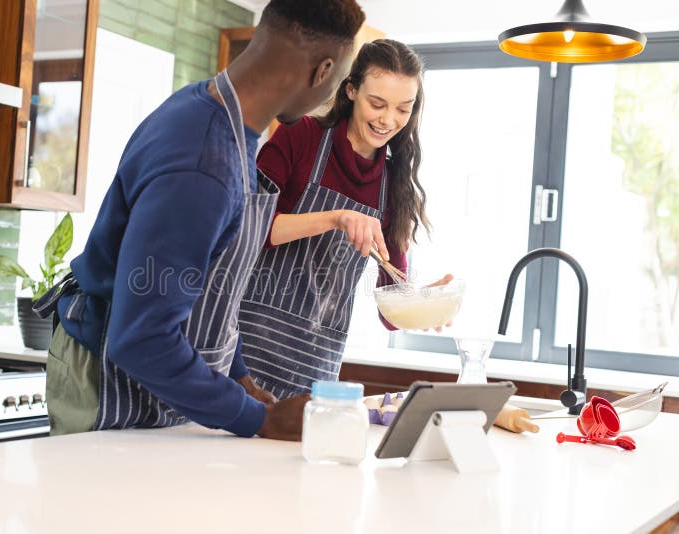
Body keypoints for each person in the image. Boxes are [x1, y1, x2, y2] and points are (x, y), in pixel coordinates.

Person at [34, 0, 366, 441]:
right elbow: (142, 338)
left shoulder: (217, 115)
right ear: (322, 71)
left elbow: (214, 287)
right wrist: (258, 419)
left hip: (153, 384)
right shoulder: (204, 161)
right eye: (341, 80)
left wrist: (239, 377)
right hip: (110, 385)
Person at [239, 40, 446, 400]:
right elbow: (246, 229)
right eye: (377, 104)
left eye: (403, 109)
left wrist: (422, 305)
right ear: (351, 90)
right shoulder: (299, 137)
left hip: (315, 376)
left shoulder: (394, 186)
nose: (388, 120)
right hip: (241, 358)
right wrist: (334, 218)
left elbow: (390, 309)